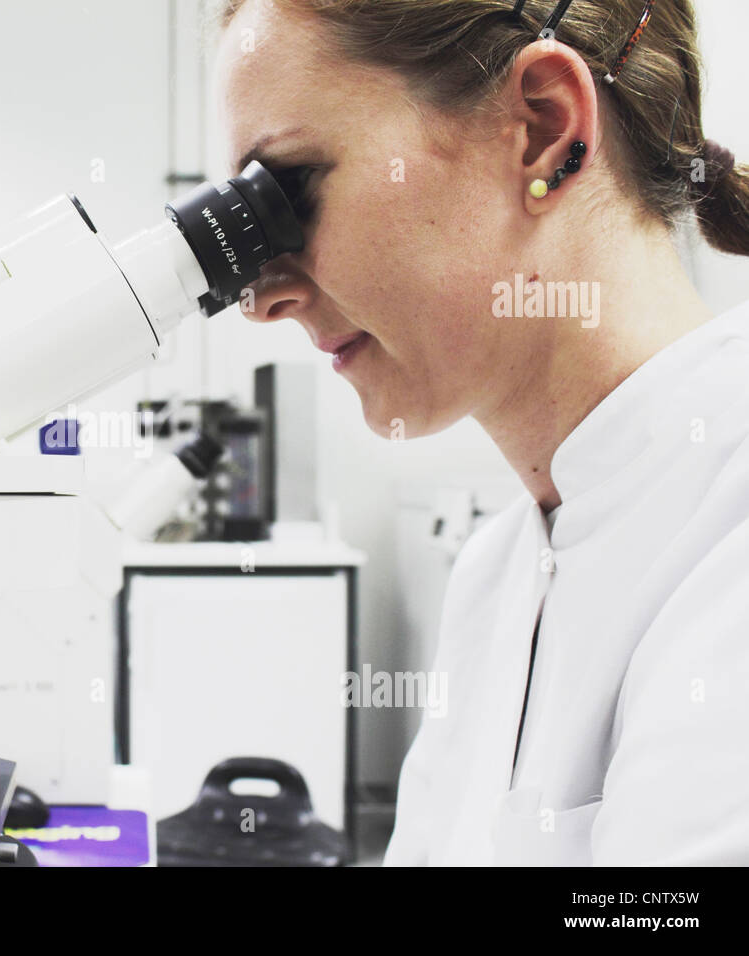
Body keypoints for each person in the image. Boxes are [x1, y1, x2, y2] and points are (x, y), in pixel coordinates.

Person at [212, 0, 749, 864]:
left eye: (289, 192)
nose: (261, 298)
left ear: (543, 129)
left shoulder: (732, 533)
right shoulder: (493, 575)